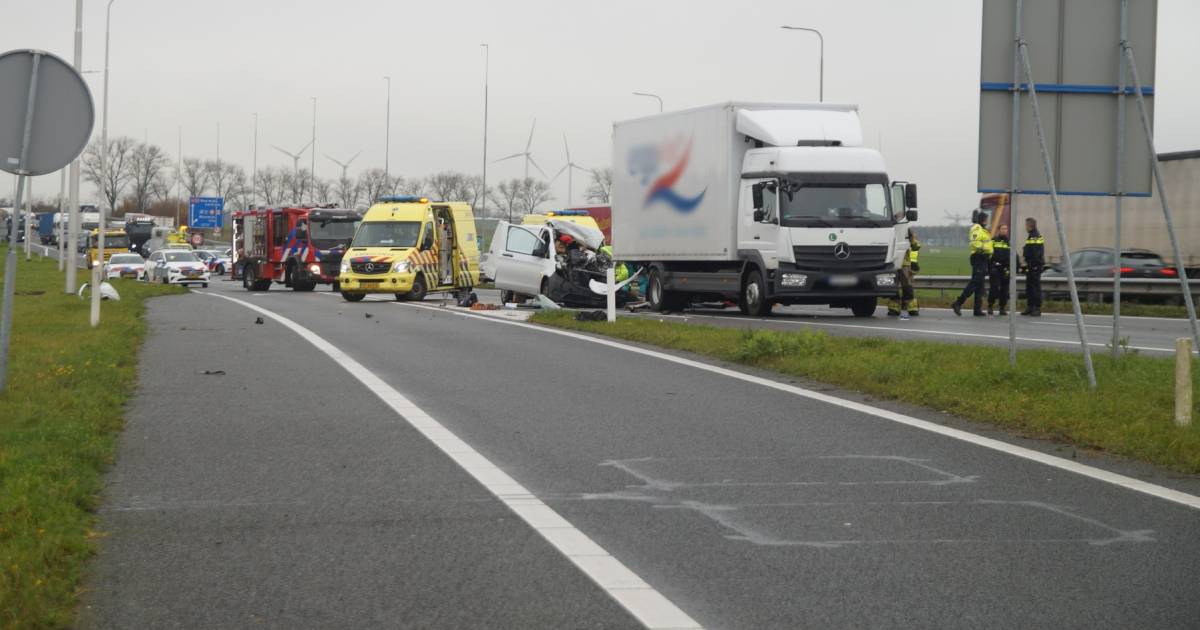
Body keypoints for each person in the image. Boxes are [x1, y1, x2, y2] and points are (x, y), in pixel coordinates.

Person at [952, 210, 993, 317]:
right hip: (979, 257)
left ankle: (977, 309)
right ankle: (958, 303)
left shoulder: (984, 230)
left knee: (980, 285)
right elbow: (975, 243)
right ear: (983, 220)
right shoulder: (977, 228)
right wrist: (985, 249)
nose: (987, 221)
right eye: (986, 219)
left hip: (983, 258)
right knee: (975, 282)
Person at [887, 229, 921, 318]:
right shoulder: (889, 229)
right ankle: (894, 307)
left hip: (904, 263)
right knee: (893, 285)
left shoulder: (906, 230)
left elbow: (916, 246)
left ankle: (911, 307)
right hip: (891, 262)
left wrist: (914, 262)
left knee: (907, 286)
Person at [1021, 217, 1045, 316]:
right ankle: (1030, 307)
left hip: (1034, 266)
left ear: (1030, 226)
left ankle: (1037, 308)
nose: (1025, 227)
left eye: (1026, 225)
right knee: (1029, 288)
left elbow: (1036, 253)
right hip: (1030, 266)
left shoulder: (1035, 236)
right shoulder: (1031, 236)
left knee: (1035, 288)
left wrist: (1034, 265)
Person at [988, 224, 1011, 316]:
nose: (1004, 230)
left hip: (1005, 268)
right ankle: (990, 306)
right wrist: (991, 266)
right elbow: (989, 254)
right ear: (999, 230)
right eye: (1003, 229)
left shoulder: (1009, 242)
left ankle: (1002, 307)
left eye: (1006, 229)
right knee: (994, 288)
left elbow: (1012, 256)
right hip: (995, 268)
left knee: (1004, 289)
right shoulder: (993, 240)